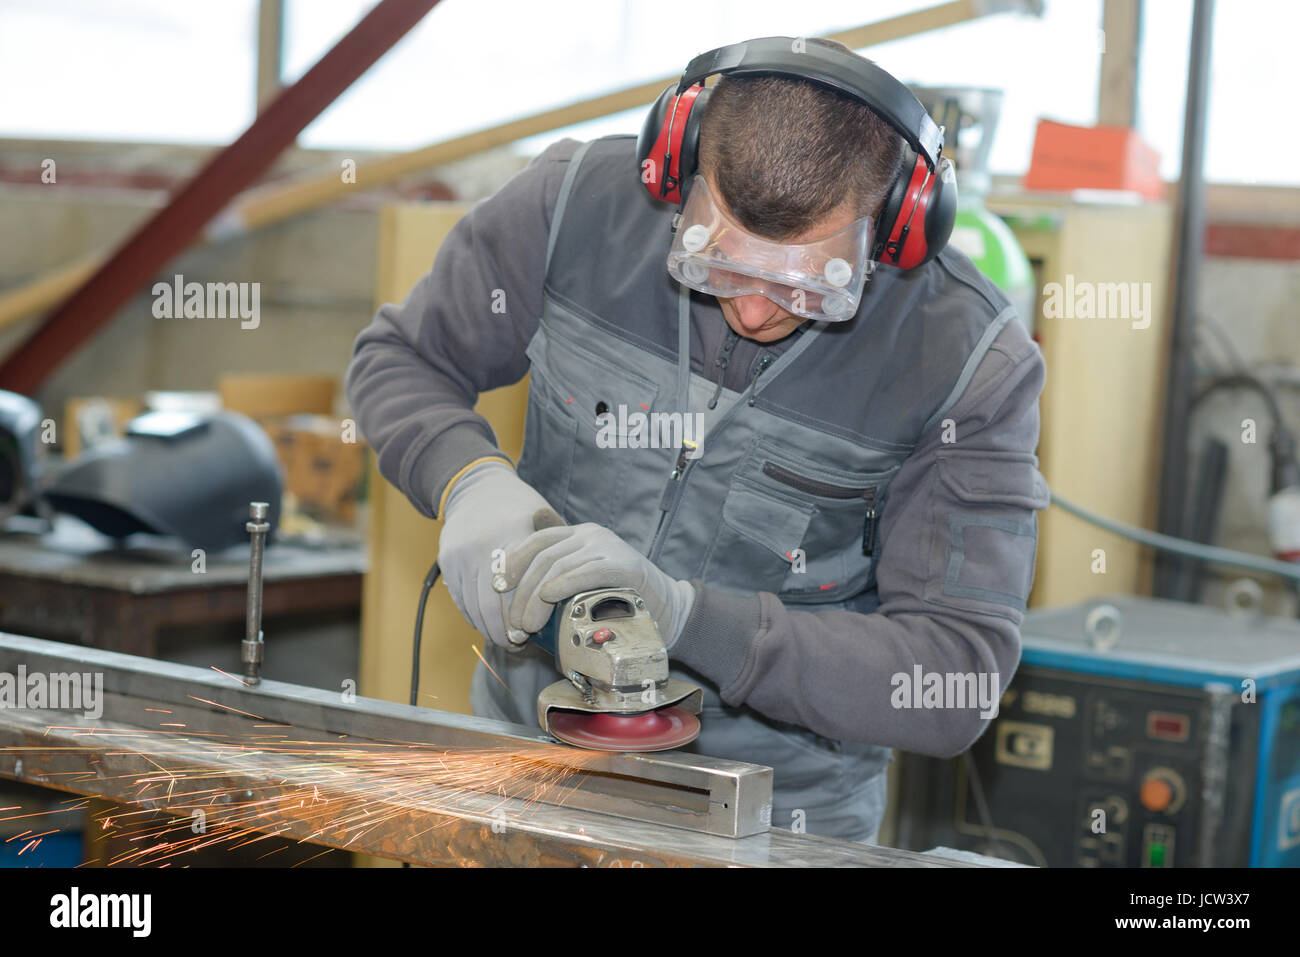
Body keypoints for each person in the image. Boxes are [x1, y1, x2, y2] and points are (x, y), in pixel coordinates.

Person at [344, 36, 1050, 842]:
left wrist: (687, 618)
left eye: (809, 285)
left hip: (774, 818)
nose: (753, 309)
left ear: (893, 228)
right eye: (720, 263)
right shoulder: (571, 207)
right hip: (526, 768)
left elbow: (954, 675)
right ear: (675, 171)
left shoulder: (963, 361)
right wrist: (467, 478)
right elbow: (402, 359)